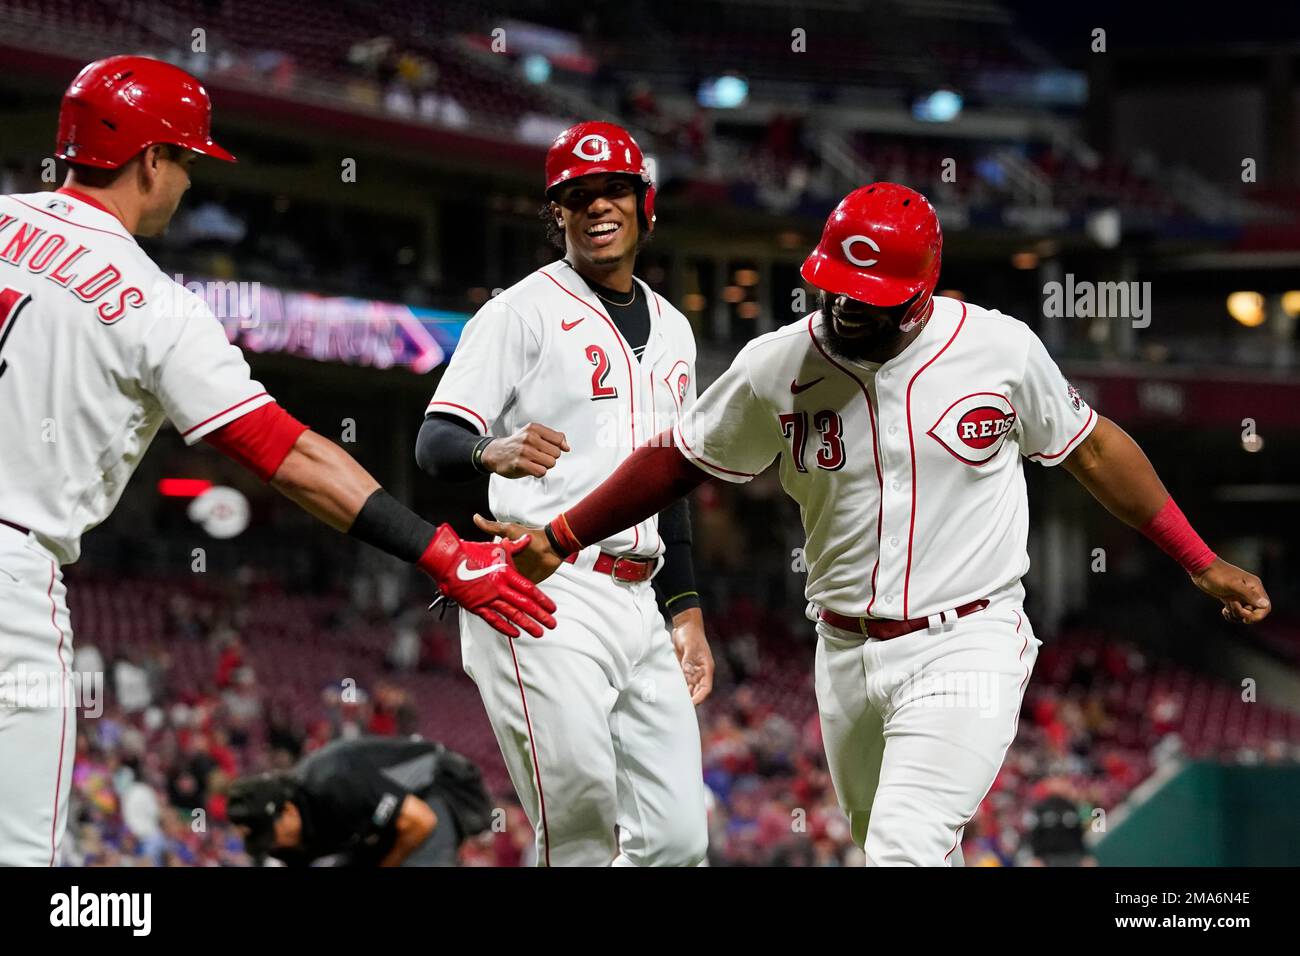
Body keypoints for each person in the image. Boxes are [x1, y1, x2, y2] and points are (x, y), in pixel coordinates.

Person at [486, 182, 1272, 866]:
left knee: (902, 848)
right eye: (834, 286)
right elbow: (679, 458)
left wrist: (1199, 560)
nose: (845, 305)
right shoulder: (779, 363)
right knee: (889, 843)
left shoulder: (998, 351)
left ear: (923, 292)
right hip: (843, 650)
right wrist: (562, 536)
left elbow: (1093, 450)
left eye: (869, 294)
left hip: (968, 636)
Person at [0, 55, 555, 868]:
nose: (188, 181)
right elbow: (287, 454)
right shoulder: (155, 303)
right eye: (186, 159)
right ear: (152, 159)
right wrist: (440, 550)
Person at [415, 121, 711, 866]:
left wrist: (686, 610)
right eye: (576, 197)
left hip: (639, 598)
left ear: (646, 205)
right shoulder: (520, 311)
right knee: (579, 821)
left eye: (613, 189)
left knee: (677, 841)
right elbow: (436, 442)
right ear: (558, 216)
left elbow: (666, 485)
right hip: (542, 587)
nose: (596, 206)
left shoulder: (676, 330)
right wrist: (493, 448)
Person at [228, 735, 491, 866]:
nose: (273, 844)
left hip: (438, 786)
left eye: (270, 834)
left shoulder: (334, 783)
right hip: (380, 824)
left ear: (287, 811)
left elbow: (420, 820)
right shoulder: (281, 841)